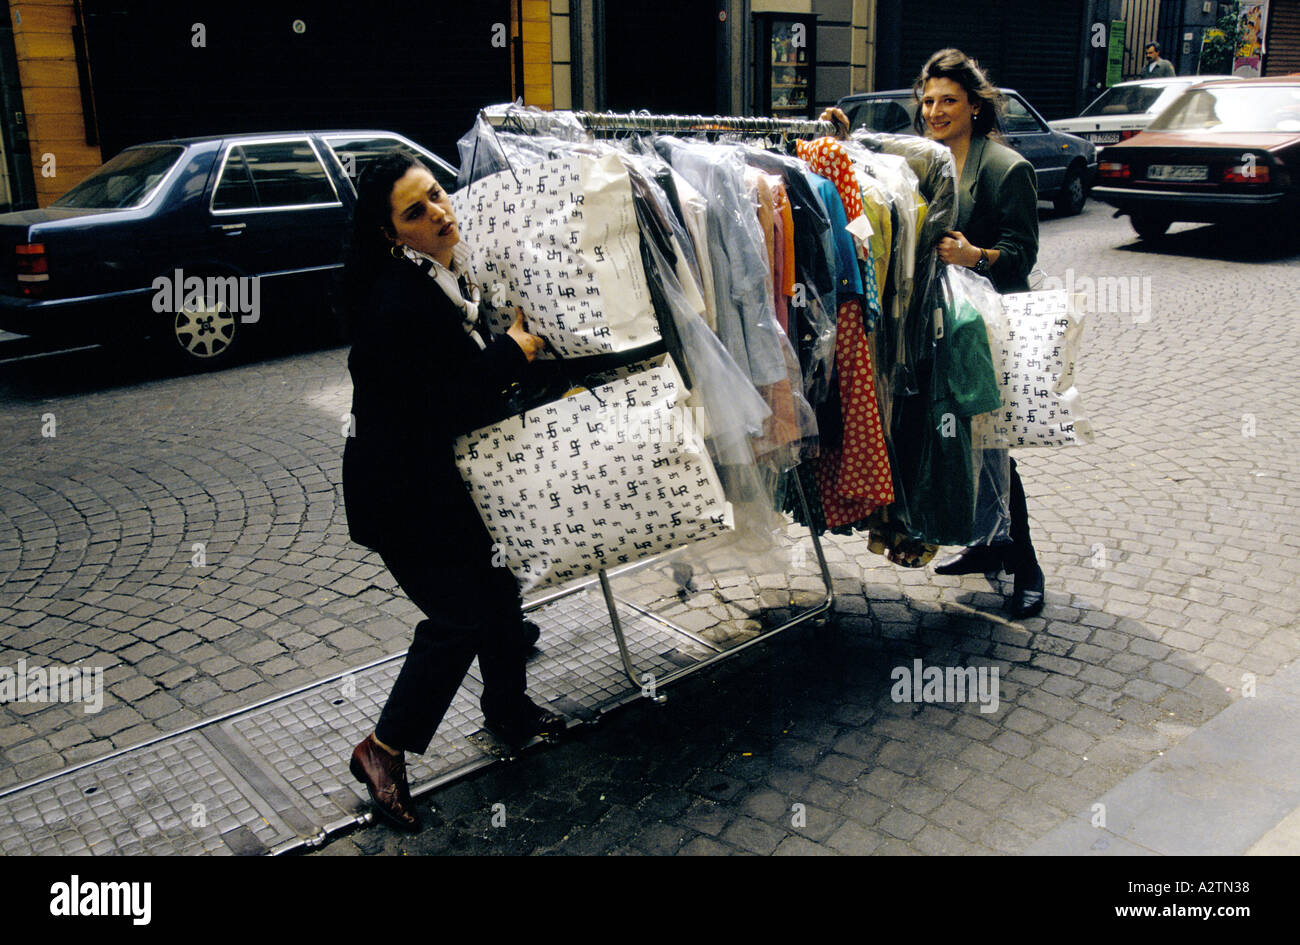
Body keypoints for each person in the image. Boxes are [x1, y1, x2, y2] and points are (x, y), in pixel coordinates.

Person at [339, 151, 564, 831]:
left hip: (442, 479)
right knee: (461, 614)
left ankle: (509, 710)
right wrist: (510, 354)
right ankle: (381, 749)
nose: (438, 212)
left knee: (497, 587)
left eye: (436, 195)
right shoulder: (394, 303)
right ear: (390, 233)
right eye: (416, 210)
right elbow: (436, 406)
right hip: (401, 494)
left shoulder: (437, 271)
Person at [820, 46, 1045, 619]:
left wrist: (978, 254)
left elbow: (1021, 257)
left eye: (949, 100)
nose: (935, 110)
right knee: (951, 438)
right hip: (924, 321)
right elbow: (866, 153)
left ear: (974, 104)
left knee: (988, 439)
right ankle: (980, 541)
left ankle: (1024, 563)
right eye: (927, 100)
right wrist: (844, 133)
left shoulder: (1005, 168)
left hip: (976, 324)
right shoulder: (915, 157)